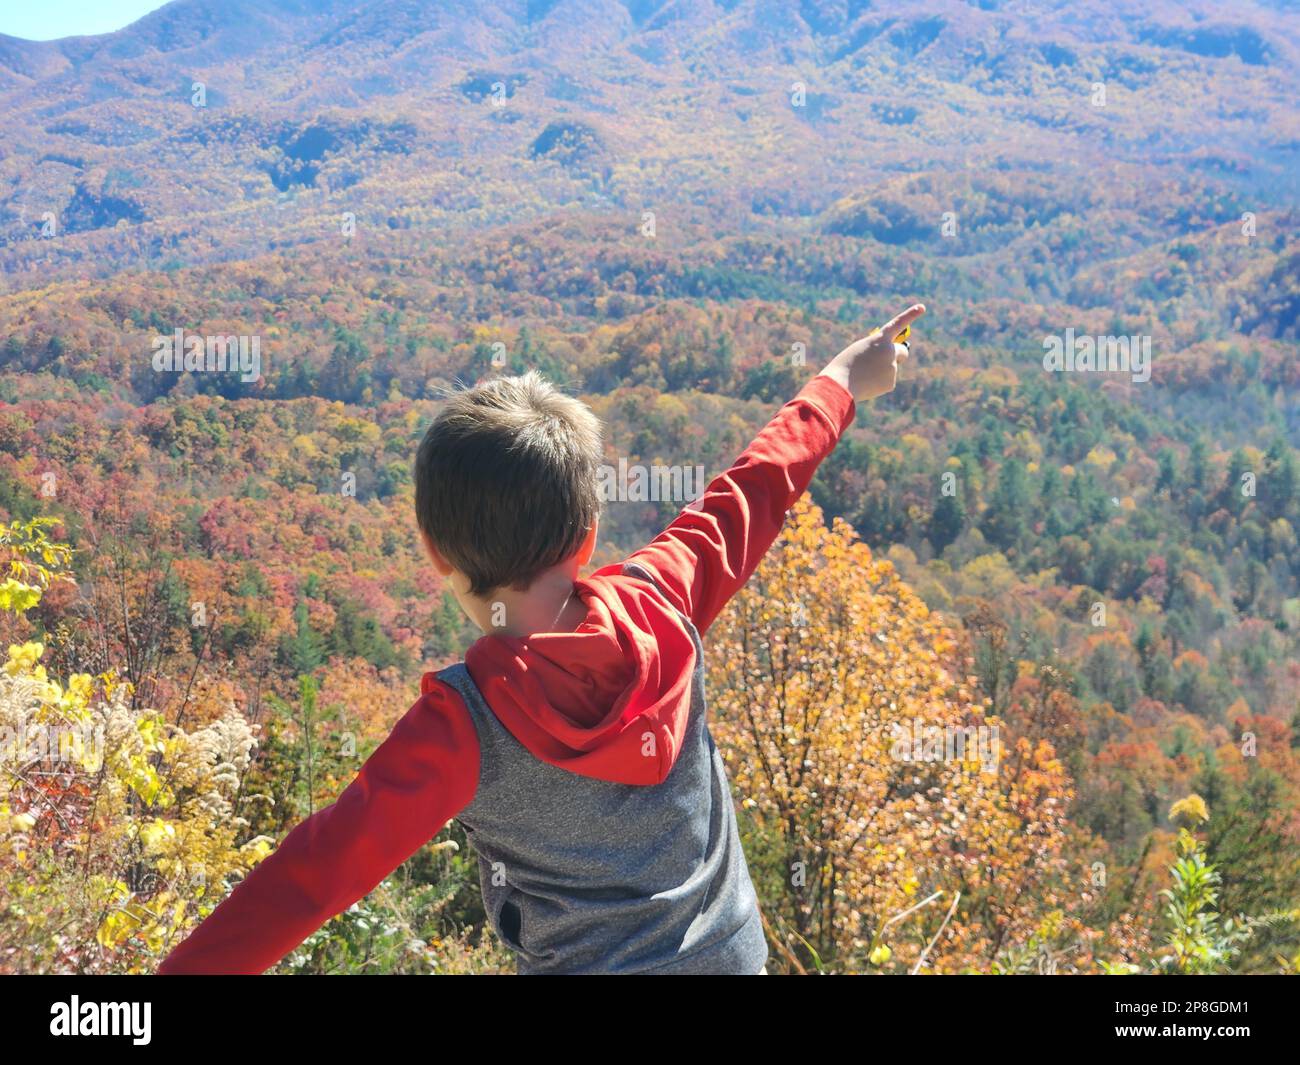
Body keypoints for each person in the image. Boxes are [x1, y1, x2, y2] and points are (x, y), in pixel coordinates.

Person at [158, 303, 926, 975]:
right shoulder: (663, 598)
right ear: (588, 533)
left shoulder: (462, 729)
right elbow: (755, 485)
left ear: (434, 553)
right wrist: (838, 382)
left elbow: (314, 875)